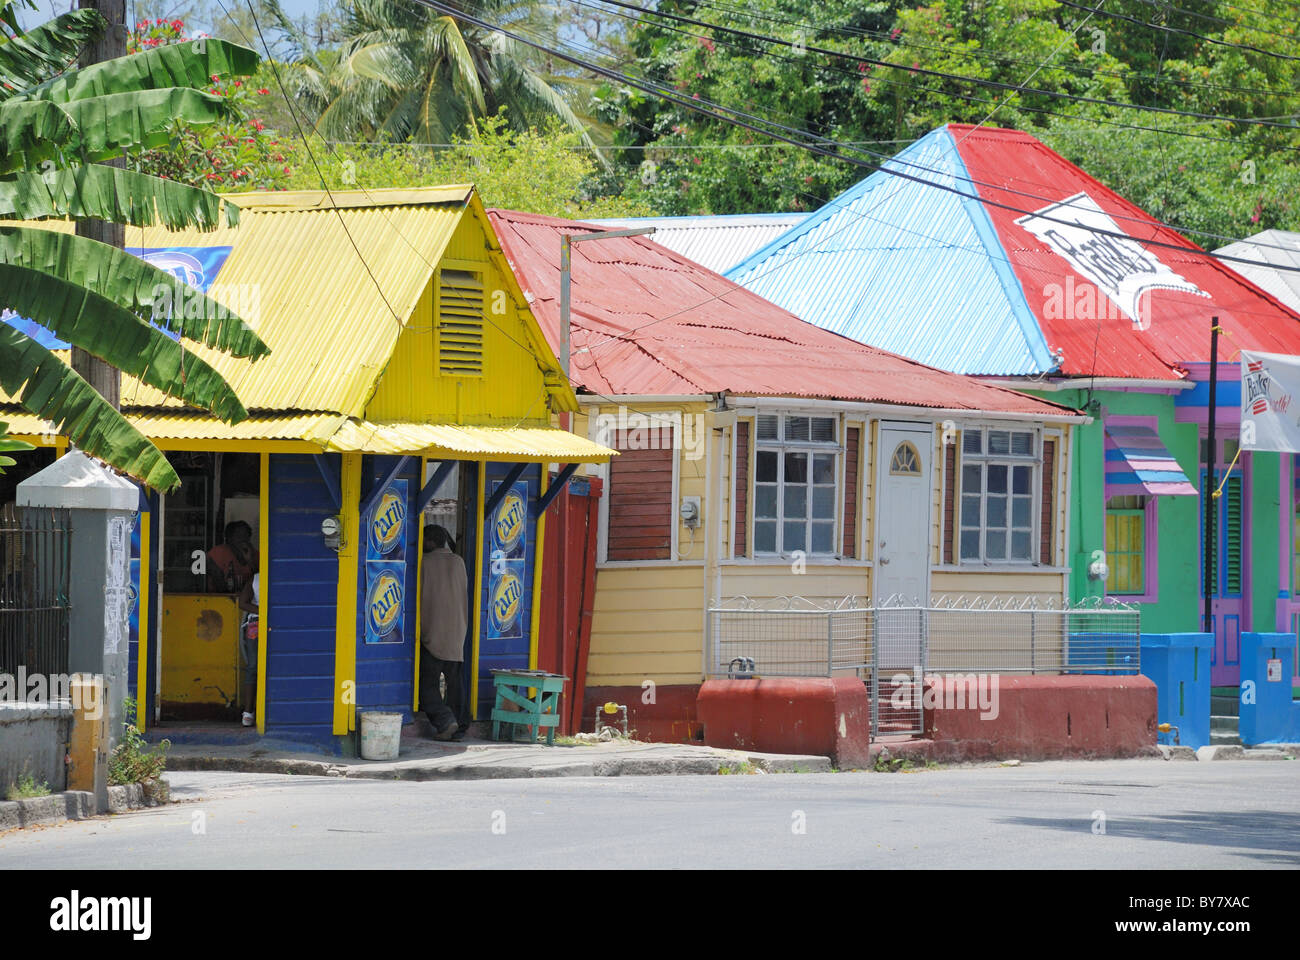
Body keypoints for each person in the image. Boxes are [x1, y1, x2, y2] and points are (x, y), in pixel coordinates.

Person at [418, 524, 469, 741]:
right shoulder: (459, 562)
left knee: (426, 685)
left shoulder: (424, 563)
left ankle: (445, 721)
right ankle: (459, 728)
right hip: (457, 632)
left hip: (433, 633)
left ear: (429, 541)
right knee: (455, 684)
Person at [237, 571, 259, 727]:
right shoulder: (256, 579)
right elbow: (243, 603)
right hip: (257, 623)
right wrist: (264, 611)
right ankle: (248, 711)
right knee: (253, 666)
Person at [208, 520, 256, 593]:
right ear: (229, 539)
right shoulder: (219, 552)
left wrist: (250, 561)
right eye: (239, 536)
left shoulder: (254, 554)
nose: (243, 539)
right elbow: (220, 587)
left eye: (246, 536)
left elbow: (260, 583)